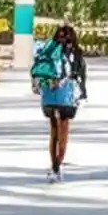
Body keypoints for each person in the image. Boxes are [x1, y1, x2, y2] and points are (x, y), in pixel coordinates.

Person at [31, 24, 87, 183]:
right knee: (63, 129)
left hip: (50, 93)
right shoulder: (75, 52)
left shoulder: (50, 49)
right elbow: (81, 73)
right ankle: (58, 164)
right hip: (67, 94)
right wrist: (82, 94)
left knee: (54, 130)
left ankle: (55, 165)